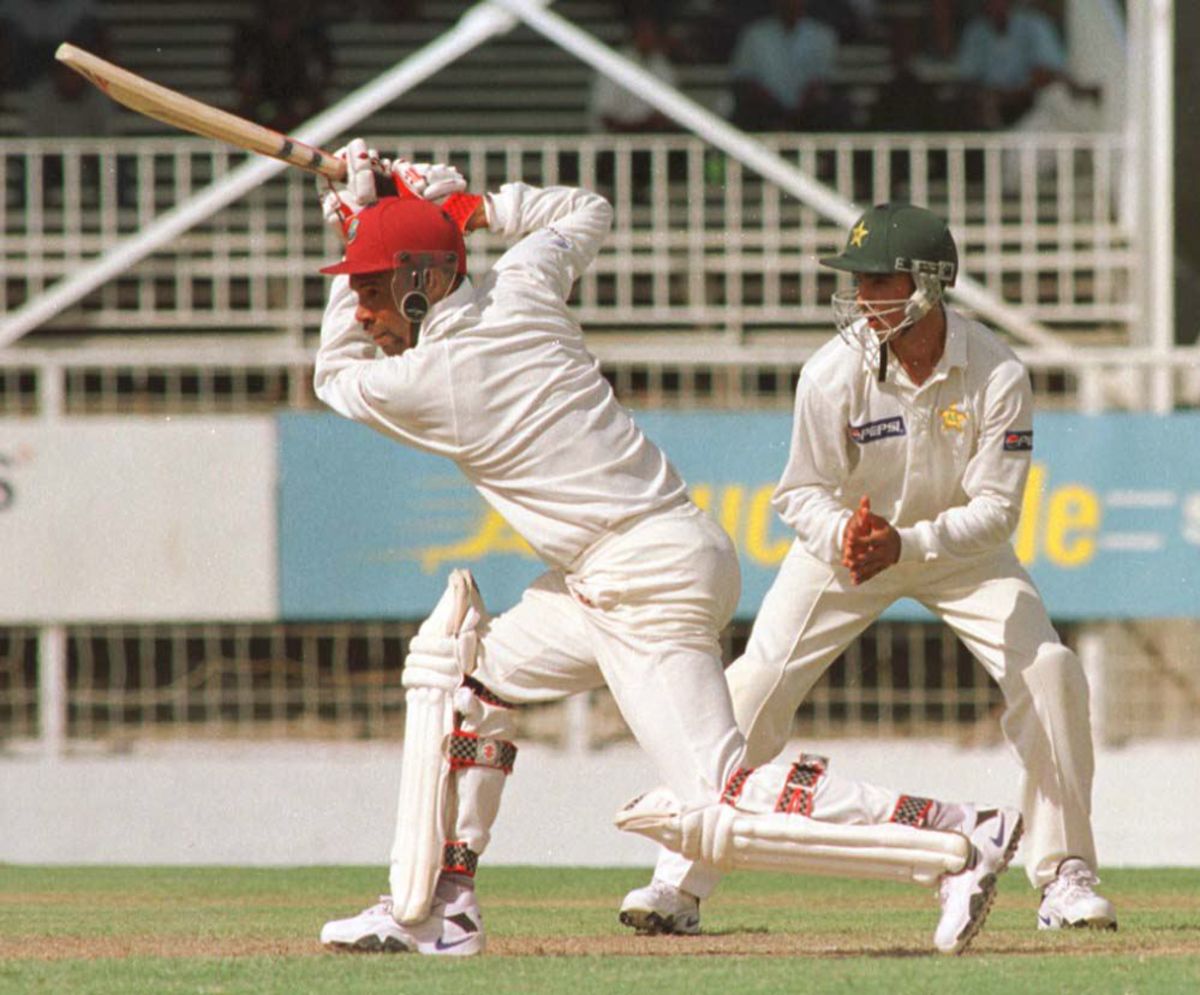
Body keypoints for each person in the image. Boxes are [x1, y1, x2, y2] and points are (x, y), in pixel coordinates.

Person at [309, 146, 1020, 957]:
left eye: (369, 289)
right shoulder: (523, 288)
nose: (363, 310)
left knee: (718, 801)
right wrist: (469, 207)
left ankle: (962, 834)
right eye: (356, 288)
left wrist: (354, 212)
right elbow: (585, 209)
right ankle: (449, 903)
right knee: (470, 678)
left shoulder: (437, 378)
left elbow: (333, 374)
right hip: (627, 565)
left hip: (641, 580)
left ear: (419, 282)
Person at [619, 202, 1118, 936]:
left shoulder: (998, 371)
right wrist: (850, 538)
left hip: (961, 556)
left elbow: (999, 511)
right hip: (848, 551)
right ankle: (680, 876)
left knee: (1051, 672)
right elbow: (799, 491)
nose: (861, 298)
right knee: (753, 686)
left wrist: (907, 545)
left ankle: (1067, 874)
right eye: (858, 283)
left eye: (879, 281)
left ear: (929, 283)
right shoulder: (831, 372)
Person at [955, 0, 1098, 130]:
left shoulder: (1034, 24)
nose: (995, 5)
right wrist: (992, 97)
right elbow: (968, 79)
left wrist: (1015, 94)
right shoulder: (975, 32)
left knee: (1056, 95)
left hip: (1034, 105)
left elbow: (1048, 72)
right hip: (995, 109)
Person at [728, 0, 841, 131]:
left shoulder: (823, 34)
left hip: (809, 114)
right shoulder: (754, 34)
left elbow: (822, 81)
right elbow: (745, 80)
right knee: (745, 113)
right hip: (764, 113)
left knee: (831, 111)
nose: (790, 3)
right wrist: (777, 110)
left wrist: (797, 113)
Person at [588, 13, 678, 133]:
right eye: (644, 32)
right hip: (614, 139)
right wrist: (631, 130)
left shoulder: (662, 66)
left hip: (651, 138)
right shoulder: (614, 63)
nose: (648, 37)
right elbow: (605, 115)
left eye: (651, 33)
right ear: (634, 34)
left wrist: (643, 128)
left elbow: (668, 113)